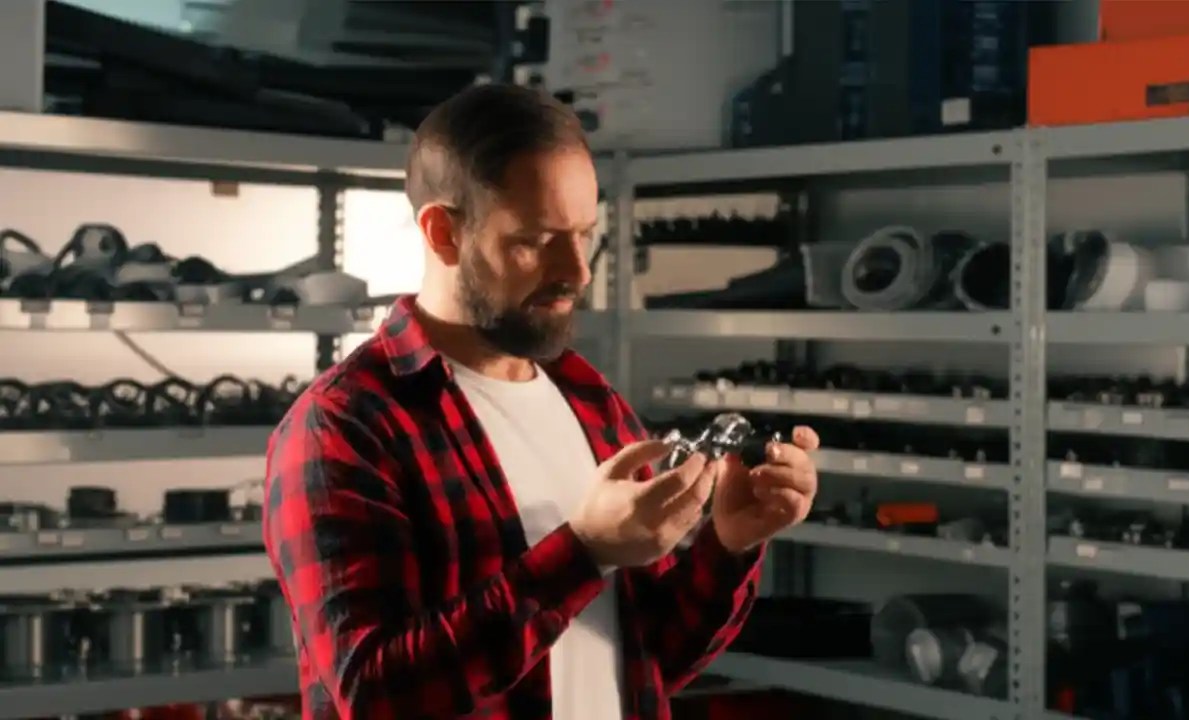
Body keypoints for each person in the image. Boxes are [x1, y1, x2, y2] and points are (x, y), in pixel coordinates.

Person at [262, 83, 820, 720]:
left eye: (584, 235)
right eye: (536, 240)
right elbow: (376, 692)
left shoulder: (589, 401)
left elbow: (649, 656)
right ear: (443, 233)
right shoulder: (345, 427)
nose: (577, 271)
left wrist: (729, 545)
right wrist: (583, 553)